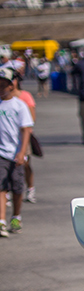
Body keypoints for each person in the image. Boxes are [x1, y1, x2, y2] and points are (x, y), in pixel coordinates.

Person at [0, 68, 33, 237]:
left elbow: (26, 130)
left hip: (16, 152)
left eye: (4, 84)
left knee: (17, 188)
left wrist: (22, 153)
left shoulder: (19, 105)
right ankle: (1, 221)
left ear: (11, 85)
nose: (1, 87)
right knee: (1, 187)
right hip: (1, 153)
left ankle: (16, 216)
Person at [10, 71, 37, 203]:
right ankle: (7, 191)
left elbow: (32, 119)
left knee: (25, 164)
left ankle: (30, 188)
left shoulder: (25, 96)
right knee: (6, 165)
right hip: (5, 137)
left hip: (22, 136)